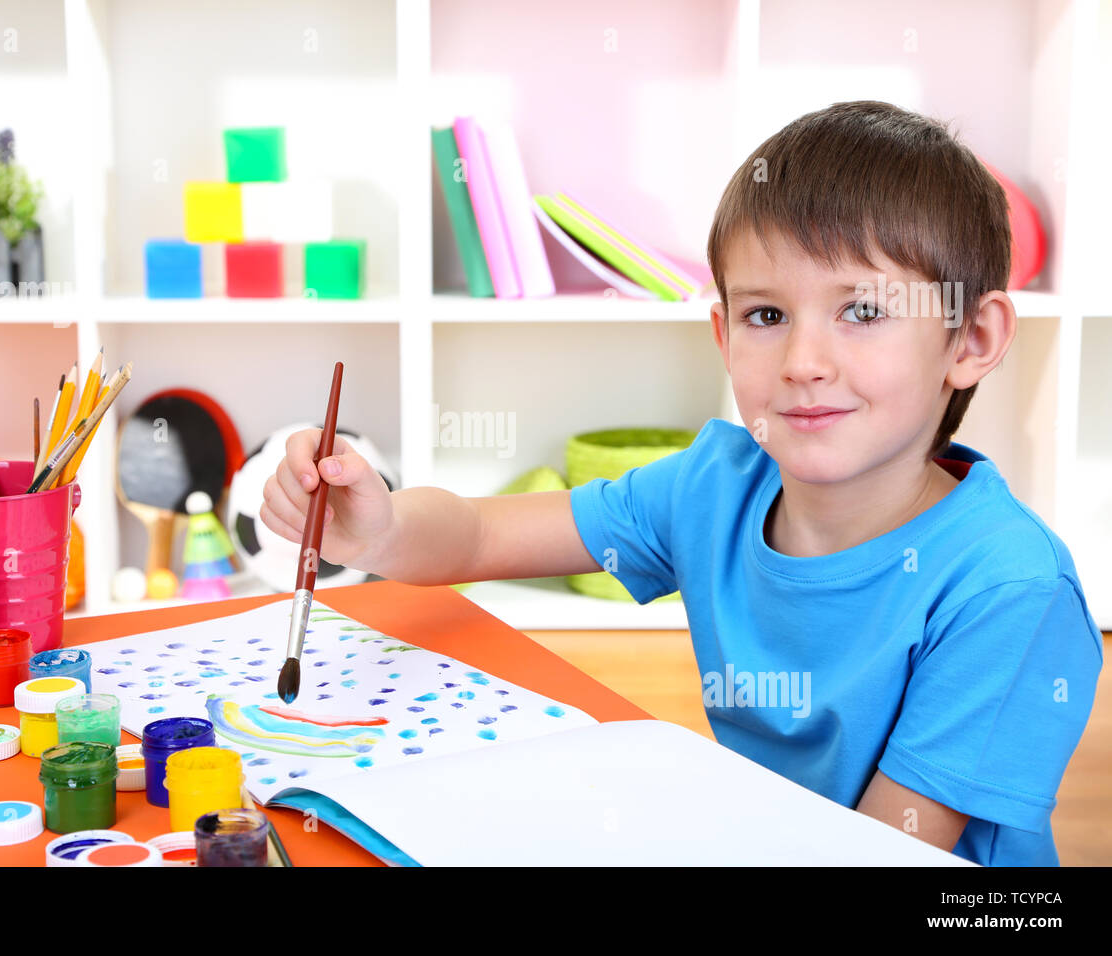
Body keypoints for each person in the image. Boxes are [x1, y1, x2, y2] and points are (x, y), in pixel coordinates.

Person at [261, 101, 1102, 866]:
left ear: (973, 337)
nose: (805, 364)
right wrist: (376, 532)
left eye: (864, 310)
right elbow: (481, 535)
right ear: (723, 332)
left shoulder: (1009, 588)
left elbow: (880, 854)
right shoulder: (714, 488)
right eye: (767, 316)